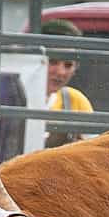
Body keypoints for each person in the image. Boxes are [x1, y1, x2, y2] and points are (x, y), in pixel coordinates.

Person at [39, 19, 93, 148]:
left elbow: (94, 149)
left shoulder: (75, 100)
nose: (60, 72)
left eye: (68, 65)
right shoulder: (12, 97)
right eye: (53, 61)